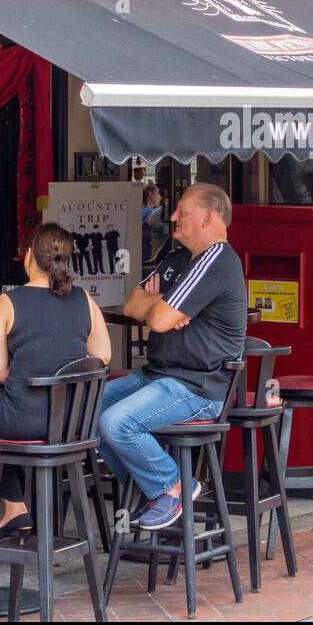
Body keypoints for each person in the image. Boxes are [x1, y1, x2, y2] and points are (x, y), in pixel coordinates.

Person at [101, 183, 247, 530]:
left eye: (183, 210)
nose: (173, 216)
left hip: (197, 387)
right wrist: (163, 304)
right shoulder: (177, 259)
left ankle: (172, 486)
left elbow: (158, 320)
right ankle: (145, 489)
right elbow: (132, 304)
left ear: (207, 218)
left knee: (116, 422)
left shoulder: (215, 259)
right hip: (159, 375)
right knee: (86, 411)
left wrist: (162, 308)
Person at [0, 224, 111, 535]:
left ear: (27, 258)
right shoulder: (83, 299)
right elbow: (102, 356)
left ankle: (13, 503)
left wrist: (25, 379)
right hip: (73, 423)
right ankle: (16, 505)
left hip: (22, 419)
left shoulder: (10, 301)